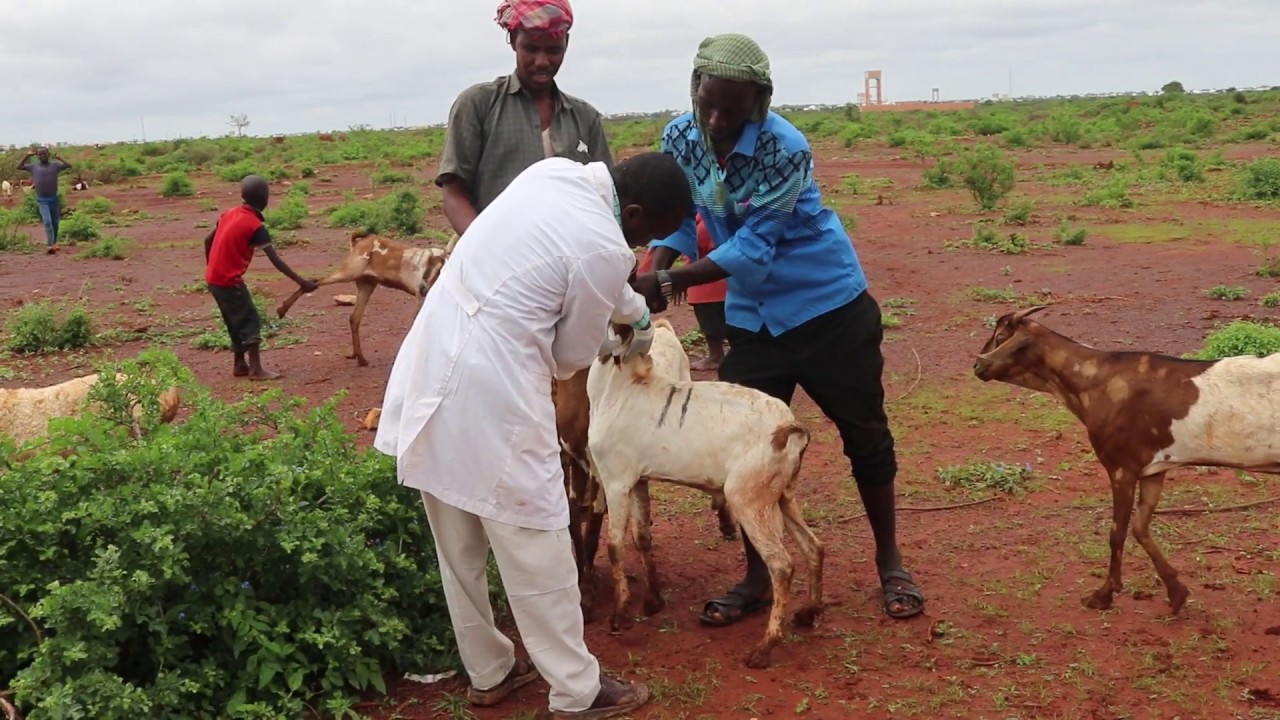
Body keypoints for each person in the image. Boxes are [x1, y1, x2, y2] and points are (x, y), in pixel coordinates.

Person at [373, 152, 693, 719]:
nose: (644, 247)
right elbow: (571, 353)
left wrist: (634, 315)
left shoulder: (553, 175)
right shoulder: (604, 245)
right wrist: (625, 339)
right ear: (636, 213)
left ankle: (490, 672)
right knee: (537, 536)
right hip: (493, 388)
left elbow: (580, 269)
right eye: (651, 234)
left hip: (431, 362)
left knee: (459, 542)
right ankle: (577, 691)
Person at [631, 33, 927, 624]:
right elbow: (684, 219)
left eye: (731, 110)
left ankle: (890, 561)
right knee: (748, 448)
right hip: (757, 322)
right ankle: (759, 576)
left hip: (828, 309)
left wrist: (671, 285)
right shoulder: (680, 136)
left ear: (759, 103)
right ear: (695, 89)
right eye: (707, 103)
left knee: (865, 436)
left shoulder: (785, 146)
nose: (716, 120)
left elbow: (754, 248)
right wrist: (658, 265)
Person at [436, 0, 613, 240]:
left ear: (566, 44)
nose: (542, 61)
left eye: (553, 50)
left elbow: (606, 197)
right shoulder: (478, 104)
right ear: (513, 41)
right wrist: (485, 249)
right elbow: (454, 194)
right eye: (530, 48)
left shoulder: (585, 117)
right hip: (492, 255)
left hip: (567, 259)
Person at [203, 175, 316, 380]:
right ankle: (256, 369)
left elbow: (206, 240)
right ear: (265, 198)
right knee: (250, 321)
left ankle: (240, 364)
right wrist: (302, 282)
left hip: (213, 278)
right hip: (229, 281)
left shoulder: (229, 214)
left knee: (233, 321)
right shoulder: (255, 226)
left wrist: (211, 266)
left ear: (243, 196)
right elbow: (276, 261)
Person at [636, 215, 728, 370]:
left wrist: (673, 279)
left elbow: (701, 237)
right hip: (702, 272)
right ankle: (717, 354)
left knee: (715, 318)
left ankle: (717, 356)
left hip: (714, 275)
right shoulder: (695, 210)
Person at [17, 147, 72, 254]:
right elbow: (19, 166)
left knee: (55, 222)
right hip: (42, 199)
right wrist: (27, 156)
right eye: (40, 155)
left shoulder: (55, 166)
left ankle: (54, 243)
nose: (42, 156)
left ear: (48, 155)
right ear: (37, 156)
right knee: (47, 222)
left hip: (54, 198)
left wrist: (60, 158)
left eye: (44, 154)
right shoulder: (34, 167)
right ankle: (50, 245)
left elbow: (69, 165)